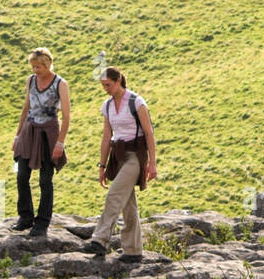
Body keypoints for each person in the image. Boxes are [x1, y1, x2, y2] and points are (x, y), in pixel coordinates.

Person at [84, 66, 157, 262]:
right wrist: (101, 166)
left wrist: (153, 164)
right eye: (103, 85)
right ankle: (133, 251)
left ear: (118, 81)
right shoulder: (107, 106)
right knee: (128, 204)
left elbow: (149, 133)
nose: (105, 88)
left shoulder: (136, 102)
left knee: (114, 194)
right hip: (118, 156)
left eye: (108, 85)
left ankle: (100, 239)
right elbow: (107, 137)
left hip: (136, 156)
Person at [11, 47, 70, 239]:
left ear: (48, 64)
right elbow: (26, 108)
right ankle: (25, 217)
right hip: (29, 131)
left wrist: (60, 143)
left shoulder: (60, 84)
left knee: (45, 180)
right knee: (22, 176)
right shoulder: (30, 80)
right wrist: (17, 135)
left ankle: (42, 222)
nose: (35, 70)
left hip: (49, 134)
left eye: (39, 67)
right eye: (33, 67)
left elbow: (67, 117)